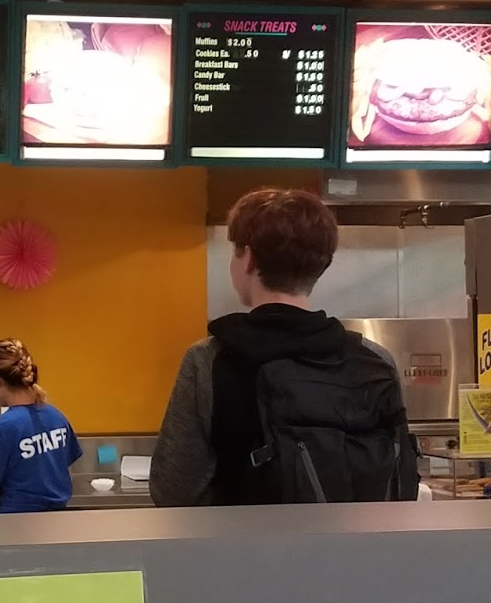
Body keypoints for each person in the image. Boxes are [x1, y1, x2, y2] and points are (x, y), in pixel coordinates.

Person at [150, 188, 418, 508]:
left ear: (247, 258)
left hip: (244, 554)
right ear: (322, 264)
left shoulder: (210, 360)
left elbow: (174, 492)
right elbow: (403, 482)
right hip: (356, 555)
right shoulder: (376, 360)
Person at [0, 339, 81, 514]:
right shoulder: (57, 417)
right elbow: (66, 475)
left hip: (16, 528)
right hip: (58, 525)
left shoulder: (0, 428)